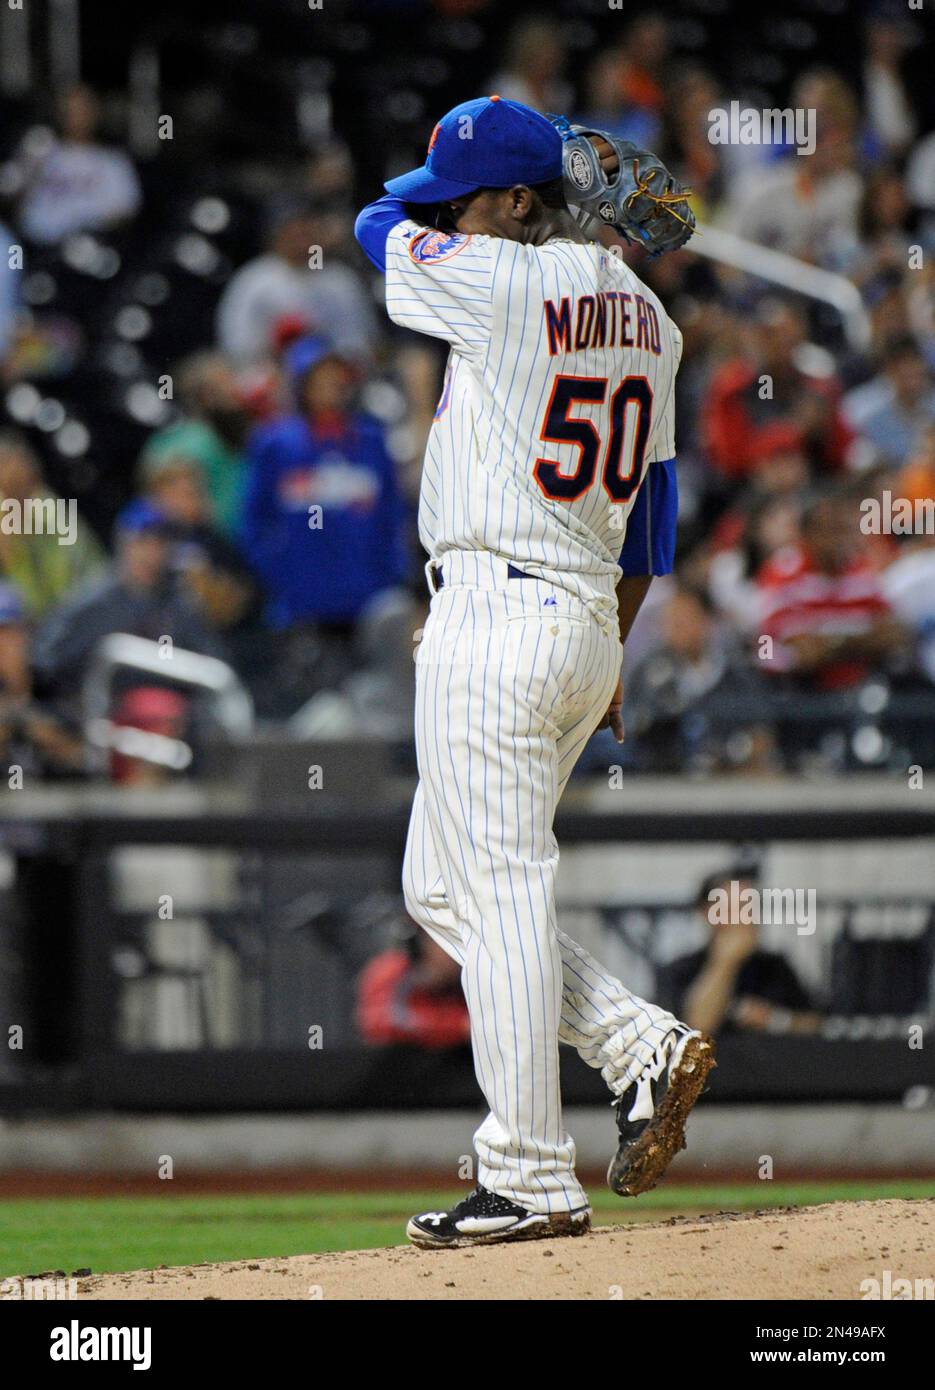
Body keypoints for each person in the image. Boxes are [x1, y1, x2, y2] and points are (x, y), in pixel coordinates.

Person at [355, 95, 714, 1250]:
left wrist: (551, 158)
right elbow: (653, 515)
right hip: (582, 617)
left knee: (500, 888)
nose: (444, 218)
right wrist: (608, 649)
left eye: (466, 199)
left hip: (497, 611)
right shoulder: (651, 318)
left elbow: (371, 224)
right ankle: (635, 1045)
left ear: (518, 202)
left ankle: (525, 1174)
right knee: (441, 890)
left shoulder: (503, 278)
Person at [240, 341, 409, 632]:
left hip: (368, 603)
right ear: (301, 384)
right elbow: (253, 522)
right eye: (320, 377)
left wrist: (388, 574)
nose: (331, 385)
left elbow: (393, 517)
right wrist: (280, 573)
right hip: (298, 609)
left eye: (337, 377)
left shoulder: (371, 440)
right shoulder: (275, 443)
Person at [658, 867, 820, 1038]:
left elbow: (815, 1023)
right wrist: (725, 963)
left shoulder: (774, 967)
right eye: (736, 907)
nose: (747, 917)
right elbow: (694, 1029)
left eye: (750, 907)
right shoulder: (681, 970)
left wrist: (774, 1020)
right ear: (707, 912)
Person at [215, 206, 377, 366]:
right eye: (293, 232)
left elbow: (359, 339)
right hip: (268, 369)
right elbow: (236, 340)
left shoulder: (339, 280)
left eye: (306, 232)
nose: (301, 239)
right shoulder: (254, 279)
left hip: (330, 370)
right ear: (278, 236)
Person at [13, 84, 141, 247]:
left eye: (82, 109)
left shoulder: (113, 161)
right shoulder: (38, 150)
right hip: (37, 249)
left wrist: (86, 226)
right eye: (69, 109)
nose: (75, 116)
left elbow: (125, 212)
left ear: (96, 113)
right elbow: (12, 199)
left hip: (93, 251)